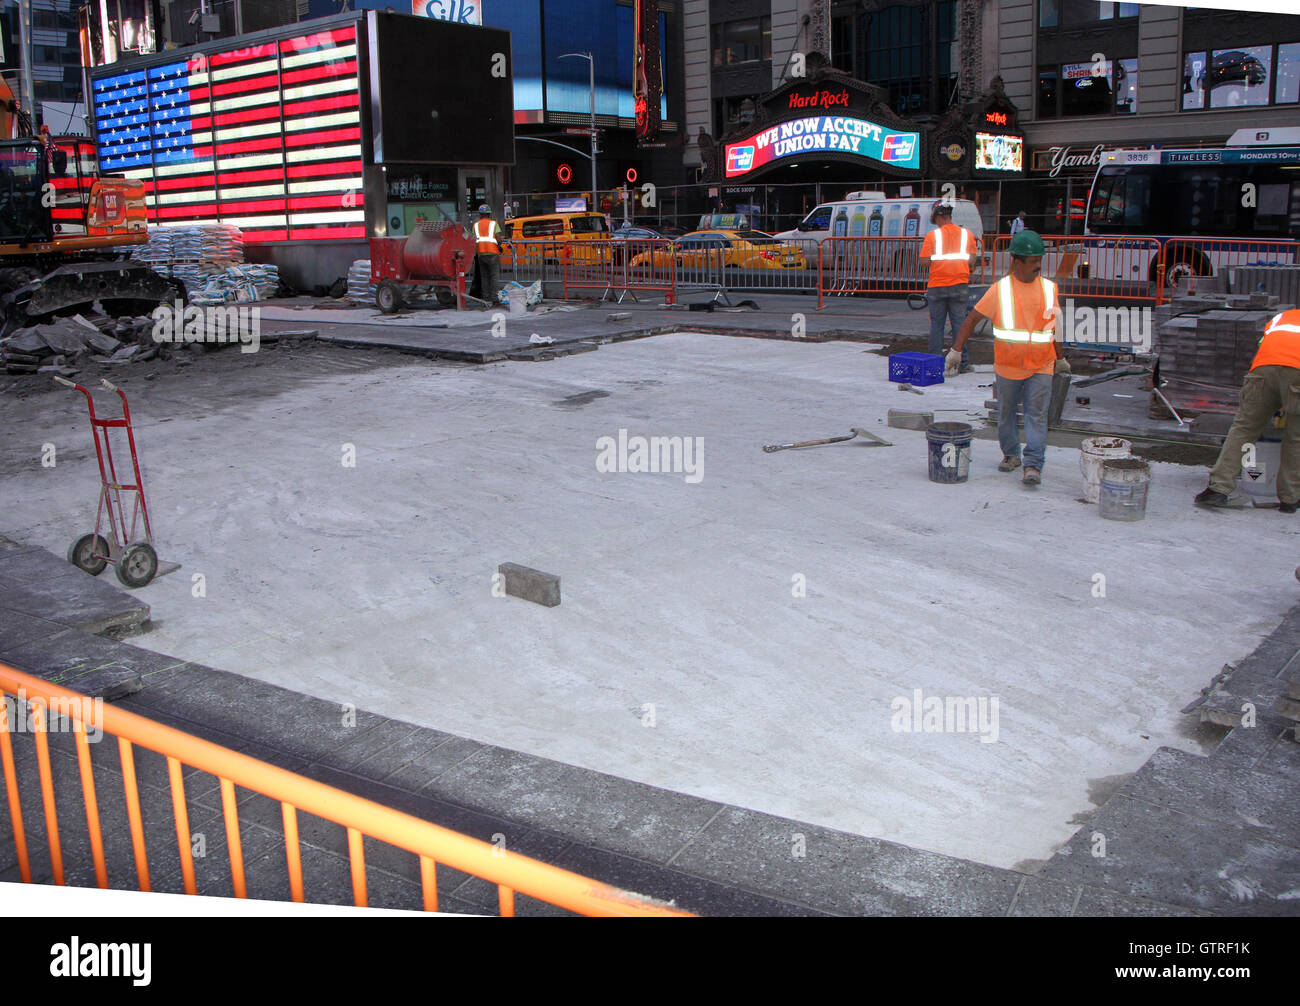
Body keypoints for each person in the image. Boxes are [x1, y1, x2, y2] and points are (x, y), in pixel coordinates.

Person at [948, 229, 1069, 486]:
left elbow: (1055, 326)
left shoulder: (1049, 289)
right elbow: (971, 320)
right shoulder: (1000, 291)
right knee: (1006, 413)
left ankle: (1033, 464)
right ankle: (1011, 455)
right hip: (1008, 367)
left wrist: (1060, 357)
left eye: (1040, 260)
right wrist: (957, 350)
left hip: (1042, 364)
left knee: (1037, 415)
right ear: (1017, 262)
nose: (1038, 265)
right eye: (1033, 261)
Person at [1195, 308, 1300, 512]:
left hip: (1262, 370)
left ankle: (1218, 489)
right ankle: (1290, 498)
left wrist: (1276, 393)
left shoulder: (1282, 316)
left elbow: (1265, 347)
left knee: (1244, 429)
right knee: (1296, 438)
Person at [920, 200, 978, 374]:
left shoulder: (933, 236)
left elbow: (923, 261)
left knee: (937, 324)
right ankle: (963, 363)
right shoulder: (967, 234)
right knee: (959, 324)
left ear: (939, 217)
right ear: (949, 217)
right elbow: (973, 260)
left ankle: (934, 363)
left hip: (937, 285)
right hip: (959, 285)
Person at [472, 204, 503, 304]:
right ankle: (494, 298)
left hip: (481, 253)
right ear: (489, 214)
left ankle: (485, 298)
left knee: (484, 276)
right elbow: (498, 239)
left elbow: (474, 240)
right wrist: (499, 245)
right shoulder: (494, 224)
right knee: (494, 276)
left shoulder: (476, 225)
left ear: (480, 215)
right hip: (493, 253)